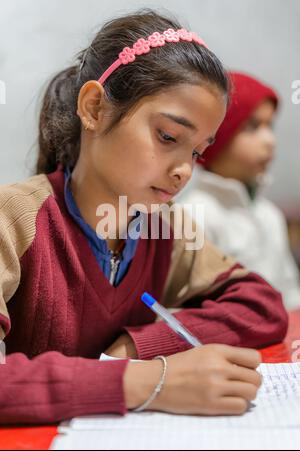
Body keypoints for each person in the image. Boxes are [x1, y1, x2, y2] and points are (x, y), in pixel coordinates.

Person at [0, 11, 287, 425]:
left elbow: (262, 305)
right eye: (168, 137)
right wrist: (141, 381)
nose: (184, 170)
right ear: (94, 108)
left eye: (196, 152)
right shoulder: (14, 220)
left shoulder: (161, 229)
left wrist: (140, 347)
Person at [179, 71, 300, 311]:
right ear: (213, 138)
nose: (269, 140)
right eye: (253, 127)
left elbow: (291, 296)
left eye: (270, 126)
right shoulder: (194, 217)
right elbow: (189, 311)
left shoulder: (269, 214)